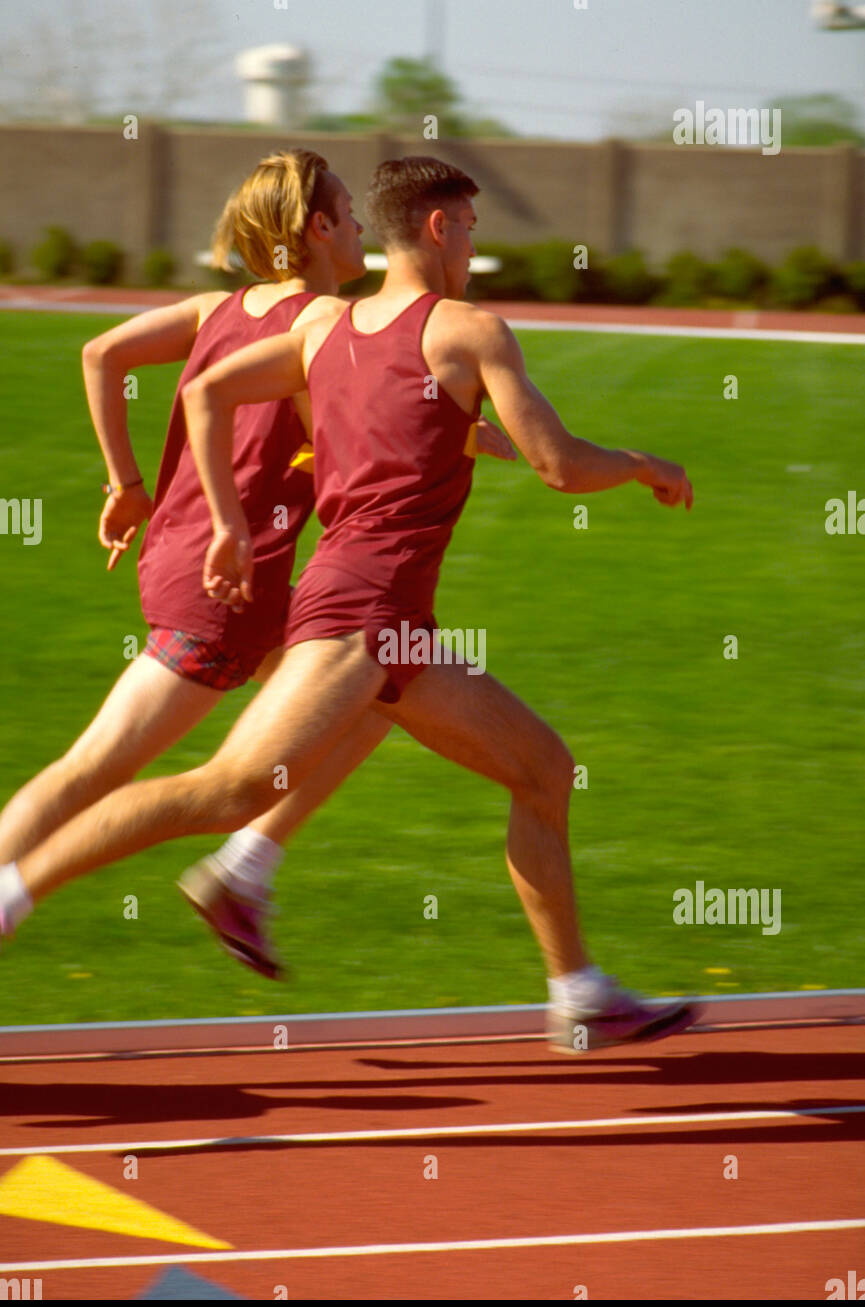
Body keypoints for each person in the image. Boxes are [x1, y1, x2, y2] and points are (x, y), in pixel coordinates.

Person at [0, 157, 696, 1053]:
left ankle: (578, 991)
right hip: (360, 611)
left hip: (400, 629)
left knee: (542, 770)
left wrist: (229, 520)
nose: (475, 245)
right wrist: (642, 466)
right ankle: (18, 895)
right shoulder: (471, 329)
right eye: (471, 228)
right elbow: (560, 464)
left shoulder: (327, 325)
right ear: (440, 228)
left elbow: (213, 392)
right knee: (229, 786)